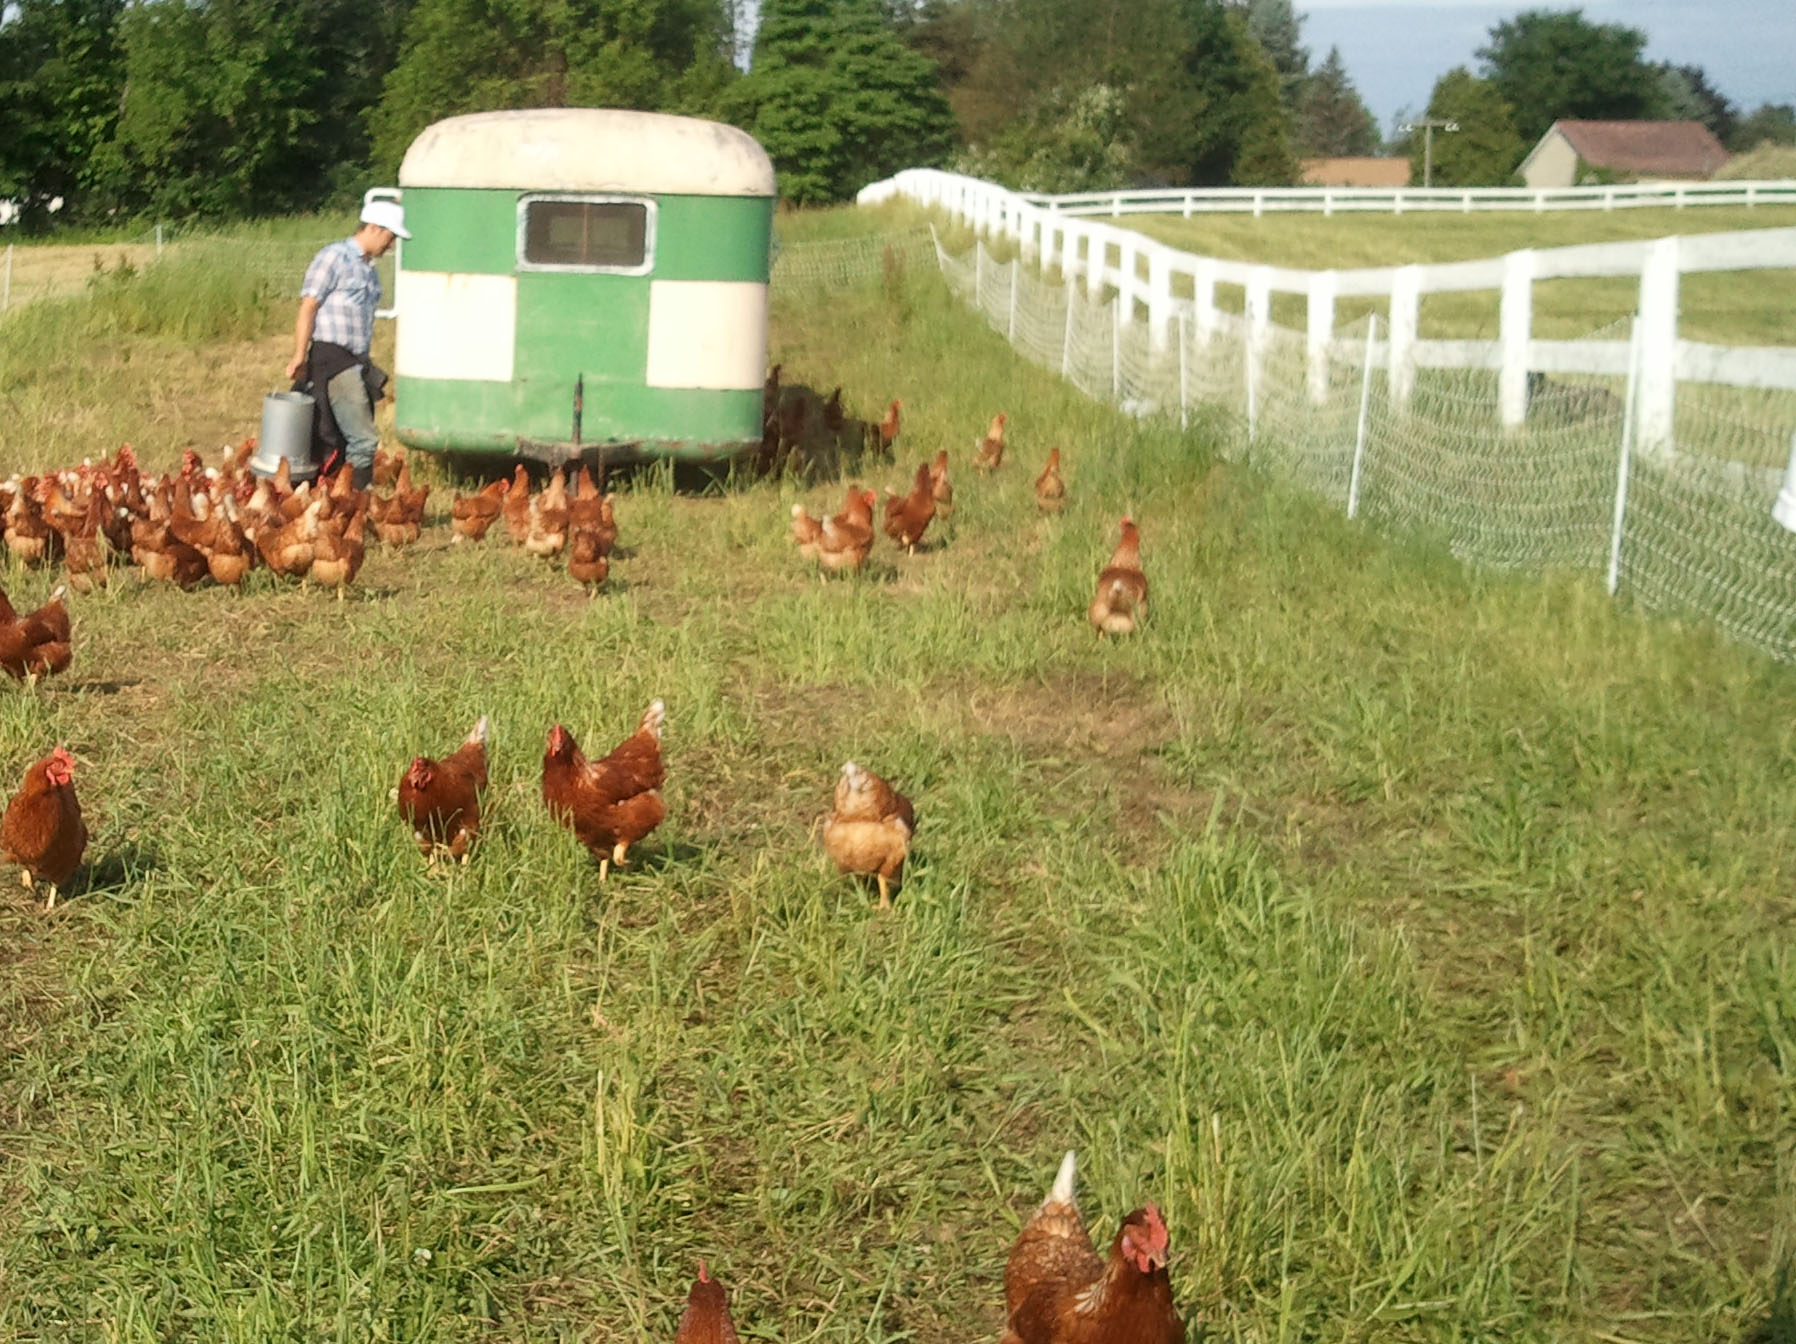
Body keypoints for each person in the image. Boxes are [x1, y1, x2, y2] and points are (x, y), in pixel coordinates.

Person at [285, 199, 411, 488]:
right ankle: (356, 503)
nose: (390, 246)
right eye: (390, 238)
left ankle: (339, 499)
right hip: (333, 357)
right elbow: (308, 307)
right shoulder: (333, 258)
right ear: (375, 228)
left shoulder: (368, 269)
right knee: (364, 440)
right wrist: (299, 355)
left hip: (355, 361)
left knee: (343, 438)